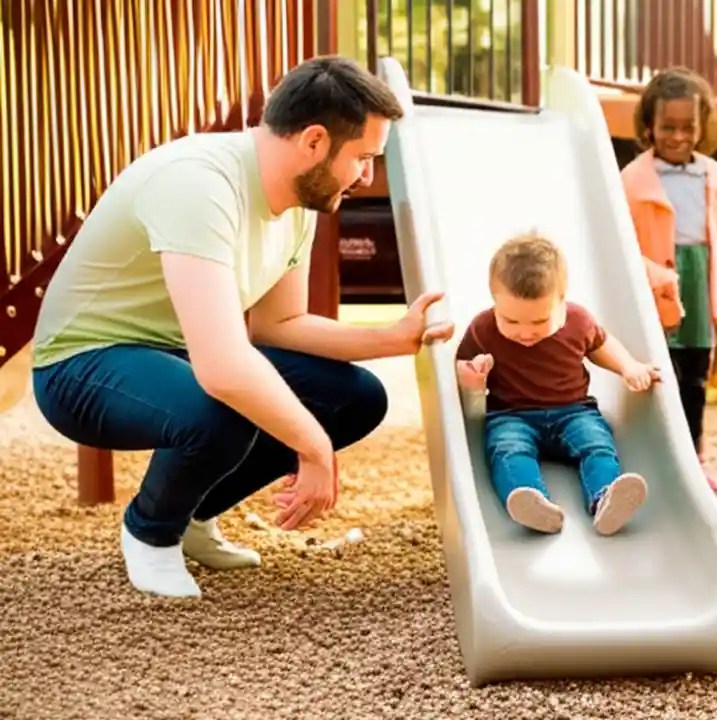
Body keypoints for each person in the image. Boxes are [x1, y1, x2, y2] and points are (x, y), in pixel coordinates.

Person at [29, 56, 456, 599]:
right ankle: (151, 532)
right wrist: (314, 446)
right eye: (364, 159)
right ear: (315, 141)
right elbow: (225, 366)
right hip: (81, 366)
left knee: (354, 397)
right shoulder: (200, 185)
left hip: (177, 356)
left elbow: (279, 325)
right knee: (222, 406)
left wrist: (393, 338)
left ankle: (191, 516)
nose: (366, 178)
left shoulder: (300, 199)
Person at [454, 233, 660, 536]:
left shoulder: (578, 320)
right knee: (508, 450)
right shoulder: (482, 328)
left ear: (562, 301)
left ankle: (605, 498)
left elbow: (601, 346)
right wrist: (471, 375)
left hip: (574, 411)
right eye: (511, 321)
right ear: (494, 301)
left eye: (539, 322)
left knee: (597, 443)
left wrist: (629, 366)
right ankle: (533, 504)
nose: (525, 332)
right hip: (511, 414)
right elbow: (460, 368)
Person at [621, 67, 717, 501]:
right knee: (658, 374)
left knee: (695, 376)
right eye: (667, 127)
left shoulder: (713, 175)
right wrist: (653, 278)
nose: (677, 136)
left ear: (702, 125)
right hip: (657, 286)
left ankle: (694, 461)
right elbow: (624, 244)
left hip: (700, 278)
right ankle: (655, 462)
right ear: (649, 126)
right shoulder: (634, 180)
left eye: (688, 126)